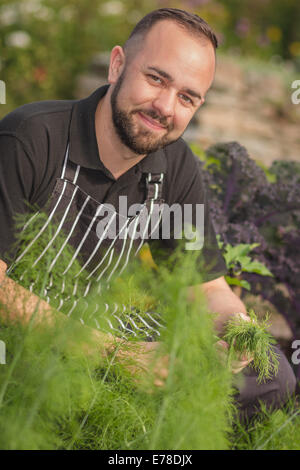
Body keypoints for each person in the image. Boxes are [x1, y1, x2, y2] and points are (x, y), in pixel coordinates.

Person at [0, 8, 296, 422]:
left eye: (187, 97)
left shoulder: (174, 167)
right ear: (117, 65)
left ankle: (145, 432)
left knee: (270, 376)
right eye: (156, 79)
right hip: (25, 336)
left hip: (97, 320)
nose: (164, 106)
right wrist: (119, 355)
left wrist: (236, 329)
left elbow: (206, 289)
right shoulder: (31, 137)